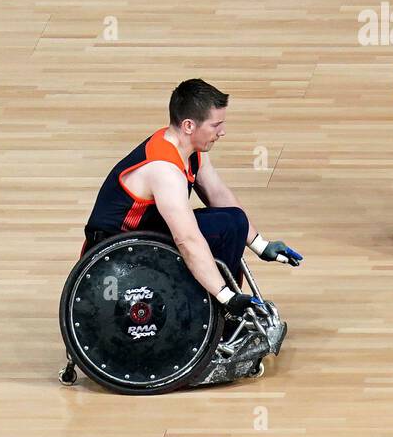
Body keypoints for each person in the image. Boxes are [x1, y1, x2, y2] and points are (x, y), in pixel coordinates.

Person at [83, 78, 301, 318]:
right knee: (217, 231)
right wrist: (225, 296)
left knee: (233, 220)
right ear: (189, 125)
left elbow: (218, 194)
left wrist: (261, 245)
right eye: (215, 125)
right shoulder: (163, 169)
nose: (222, 132)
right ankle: (215, 312)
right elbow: (186, 239)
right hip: (117, 256)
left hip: (147, 237)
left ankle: (221, 309)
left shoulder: (189, 151)